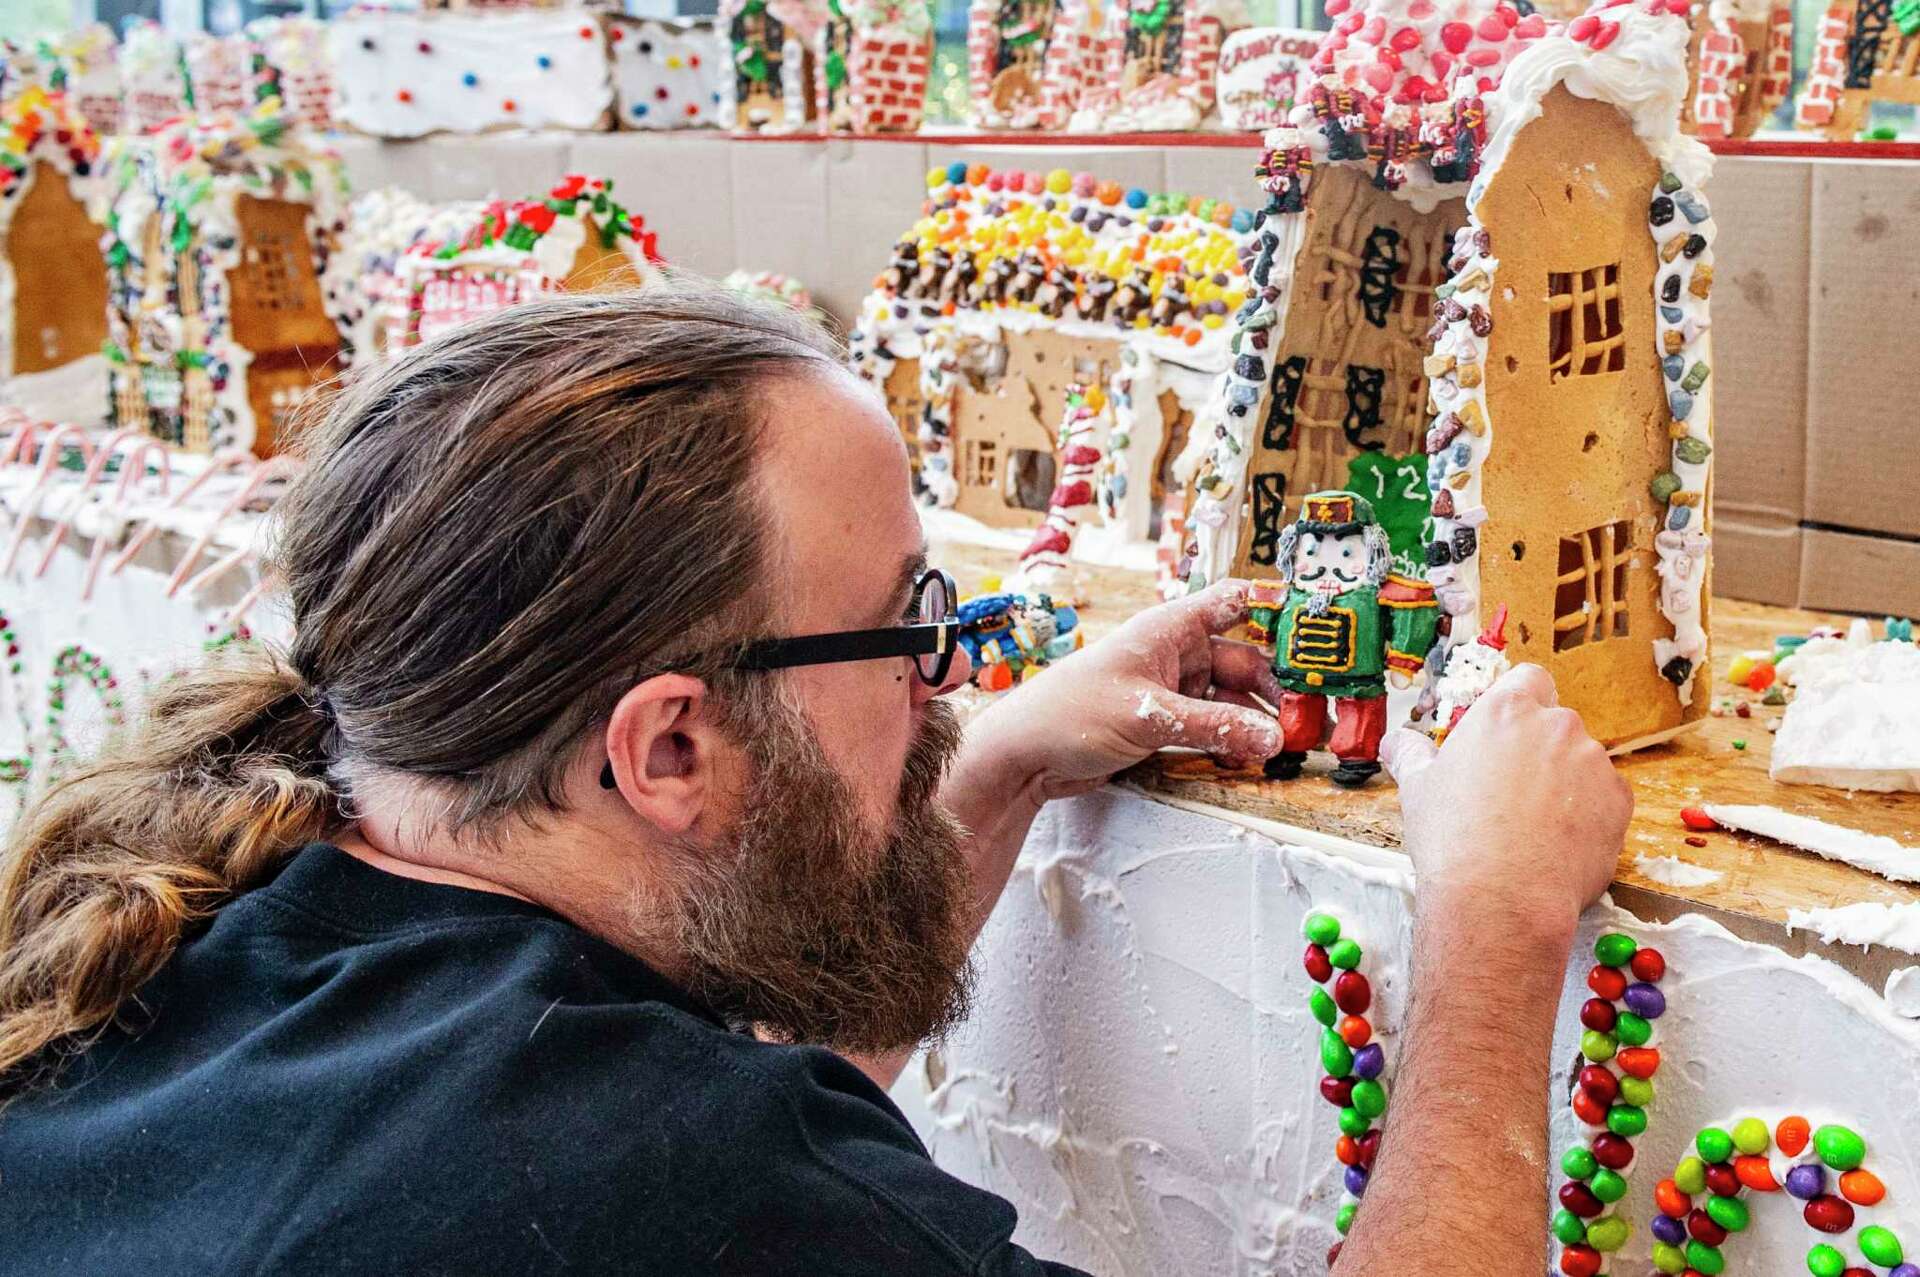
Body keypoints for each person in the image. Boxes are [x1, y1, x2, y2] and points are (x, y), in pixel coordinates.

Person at [0, 287, 1630, 1274]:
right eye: (904, 625)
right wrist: (1494, 925)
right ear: (670, 749)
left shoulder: (213, 944)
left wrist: (984, 780)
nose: (945, 679)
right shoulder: (679, 1190)